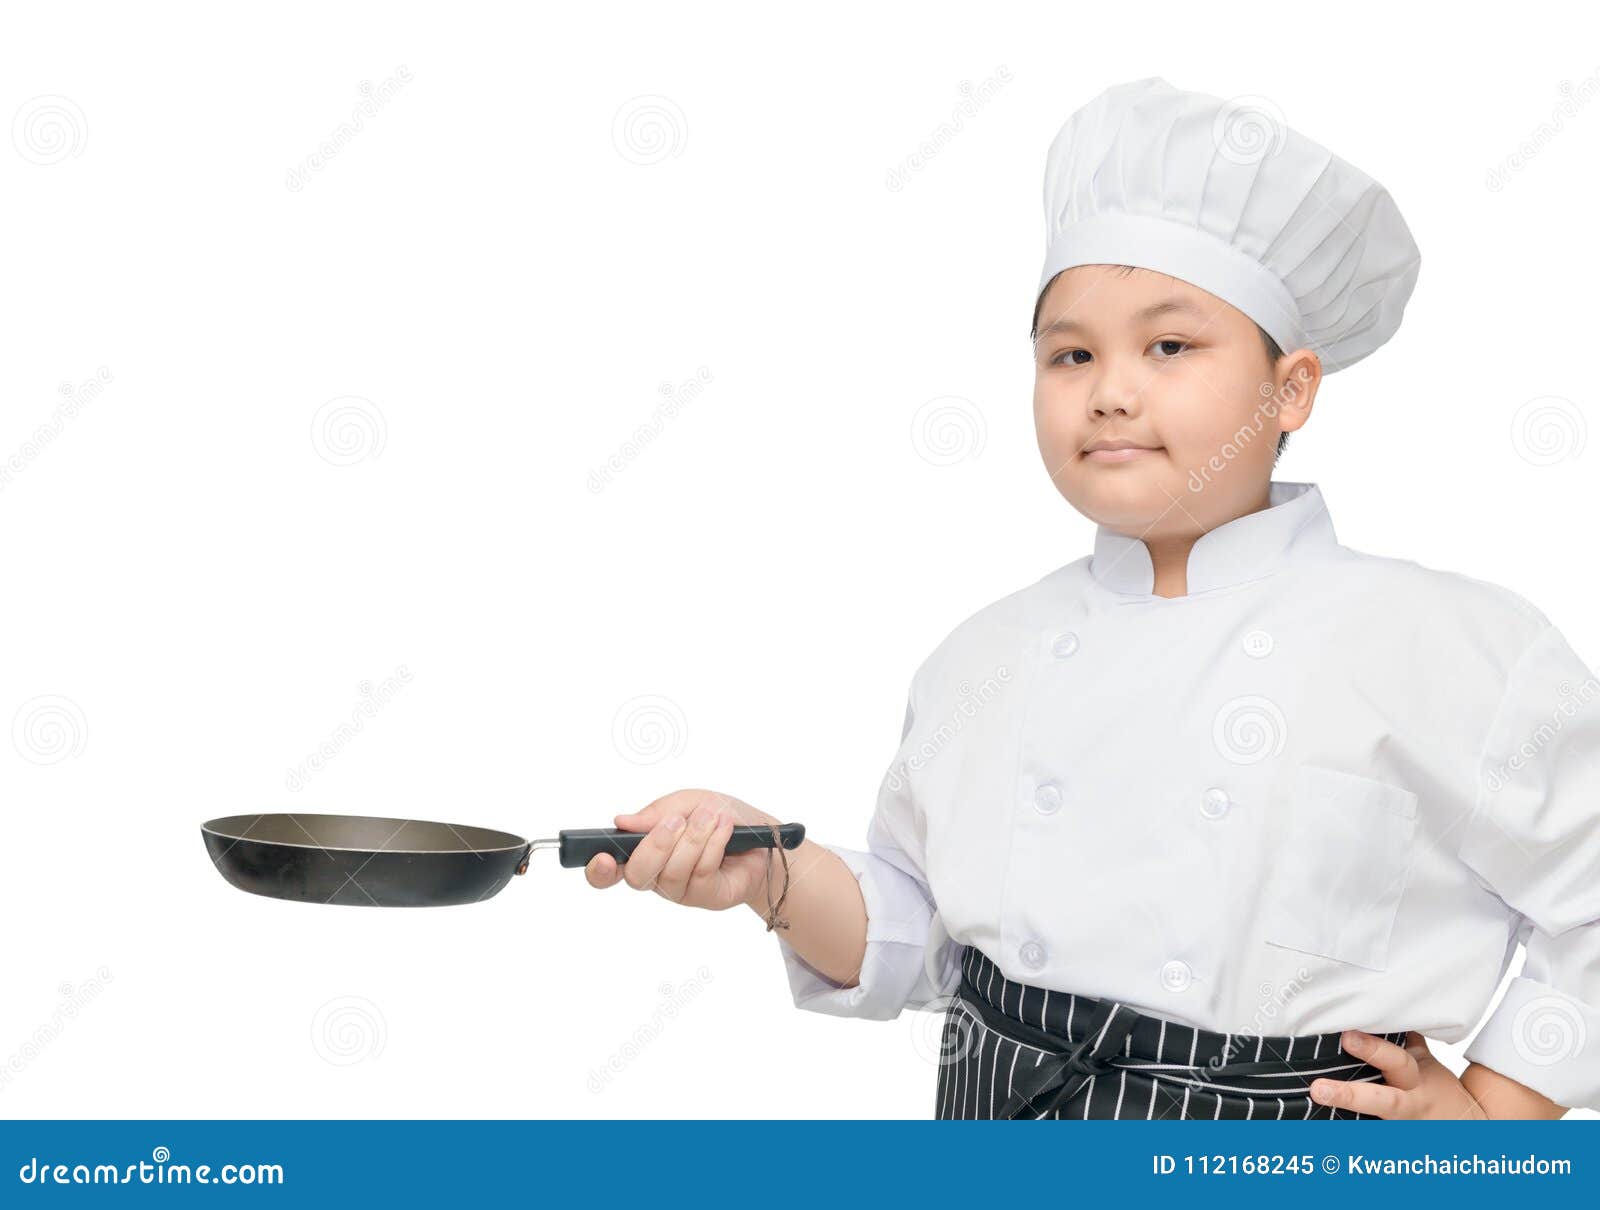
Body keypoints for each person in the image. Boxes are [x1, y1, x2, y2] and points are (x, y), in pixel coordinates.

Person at [582, 78, 1597, 1120]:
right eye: (1071, 353)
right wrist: (769, 870)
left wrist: (1498, 1110)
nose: (1110, 388)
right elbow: (925, 934)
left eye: (1168, 345)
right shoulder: (983, 657)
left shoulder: (1445, 645)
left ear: (1289, 388)